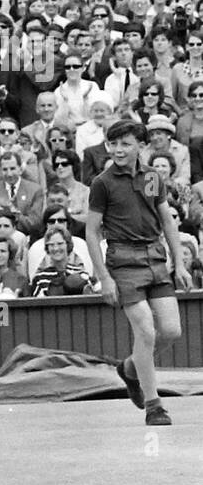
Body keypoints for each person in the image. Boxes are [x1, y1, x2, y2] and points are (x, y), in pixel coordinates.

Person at [87, 119, 189, 426]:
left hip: (155, 258)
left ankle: (130, 368)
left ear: (141, 147)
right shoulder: (102, 183)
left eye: (126, 144)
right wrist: (104, 276)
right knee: (145, 331)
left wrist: (180, 263)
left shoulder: (153, 178)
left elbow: (167, 221)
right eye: (113, 144)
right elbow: (92, 233)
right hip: (122, 260)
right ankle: (154, 405)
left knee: (171, 331)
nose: (118, 150)